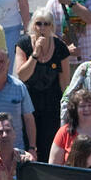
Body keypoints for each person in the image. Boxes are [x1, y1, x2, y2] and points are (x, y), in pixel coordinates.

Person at [14, 12, 72, 155]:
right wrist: (35, 54)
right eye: (38, 24)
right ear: (33, 26)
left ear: (51, 27)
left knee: (49, 146)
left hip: (52, 104)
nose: (42, 28)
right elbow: (22, 76)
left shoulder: (60, 47)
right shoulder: (23, 44)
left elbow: (65, 83)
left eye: (46, 24)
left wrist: (68, 108)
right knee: (29, 146)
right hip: (29, 104)